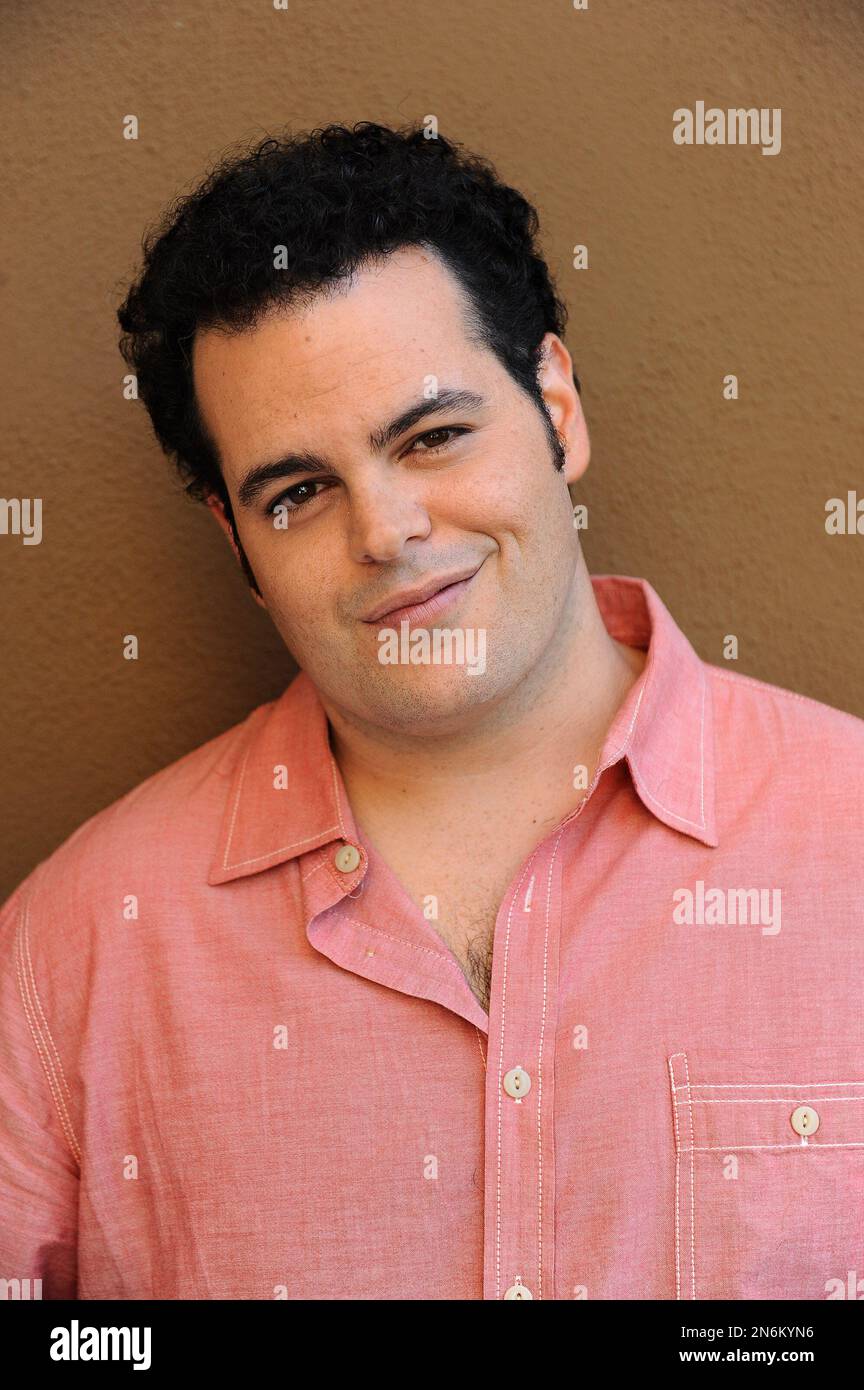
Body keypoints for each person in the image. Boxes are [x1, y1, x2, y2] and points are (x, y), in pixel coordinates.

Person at [2, 122, 863, 1302]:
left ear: (556, 409)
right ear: (237, 541)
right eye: (300, 491)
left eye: (434, 435)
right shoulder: (74, 951)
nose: (388, 531)